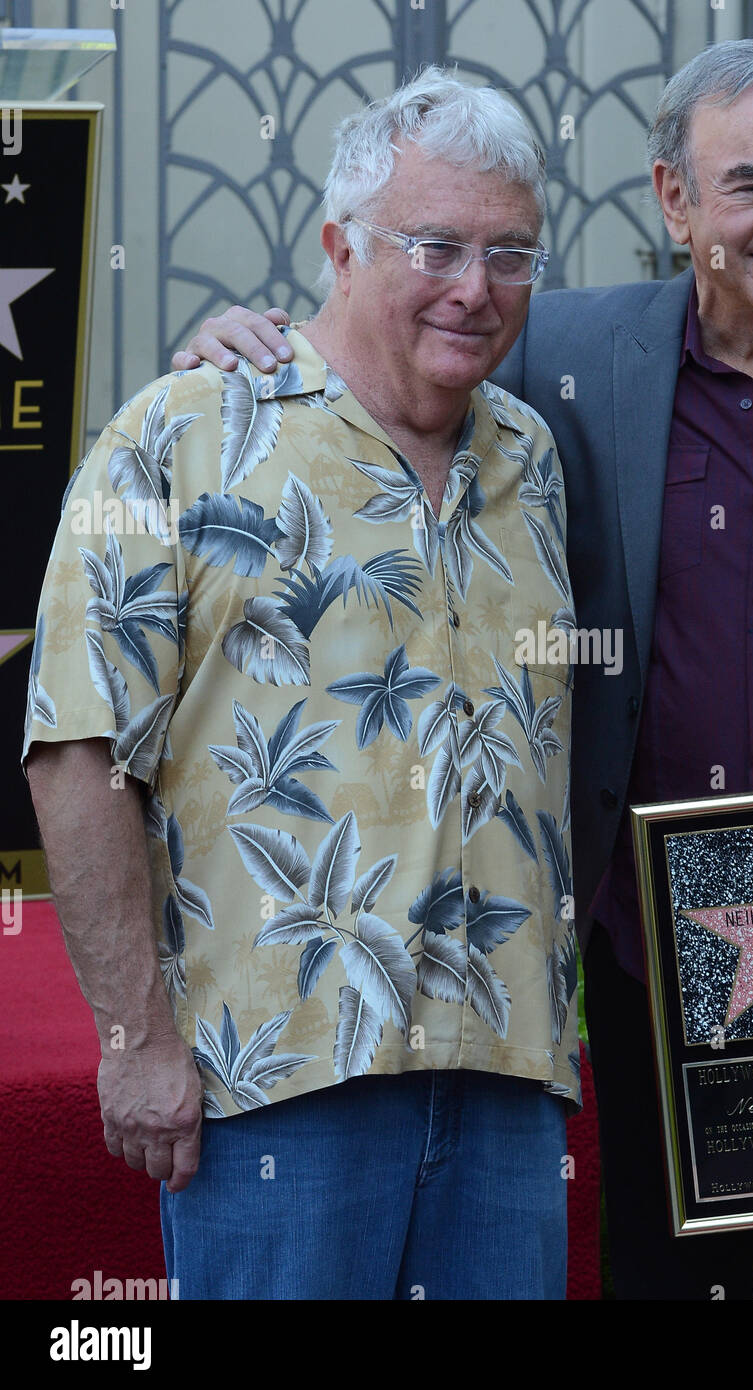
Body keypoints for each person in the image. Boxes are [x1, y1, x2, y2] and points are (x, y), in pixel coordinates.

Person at [177, 40, 753, 1300]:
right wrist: (248, 343)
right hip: (657, 960)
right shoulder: (559, 353)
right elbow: (394, 337)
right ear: (674, 200)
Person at [24, 69, 580, 1301]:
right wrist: (134, 1042)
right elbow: (77, 749)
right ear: (339, 245)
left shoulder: (535, 458)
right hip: (274, 1088)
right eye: (433, 245)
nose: (473, 288)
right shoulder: (182, 436)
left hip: (504, 1075)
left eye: (510, 255)